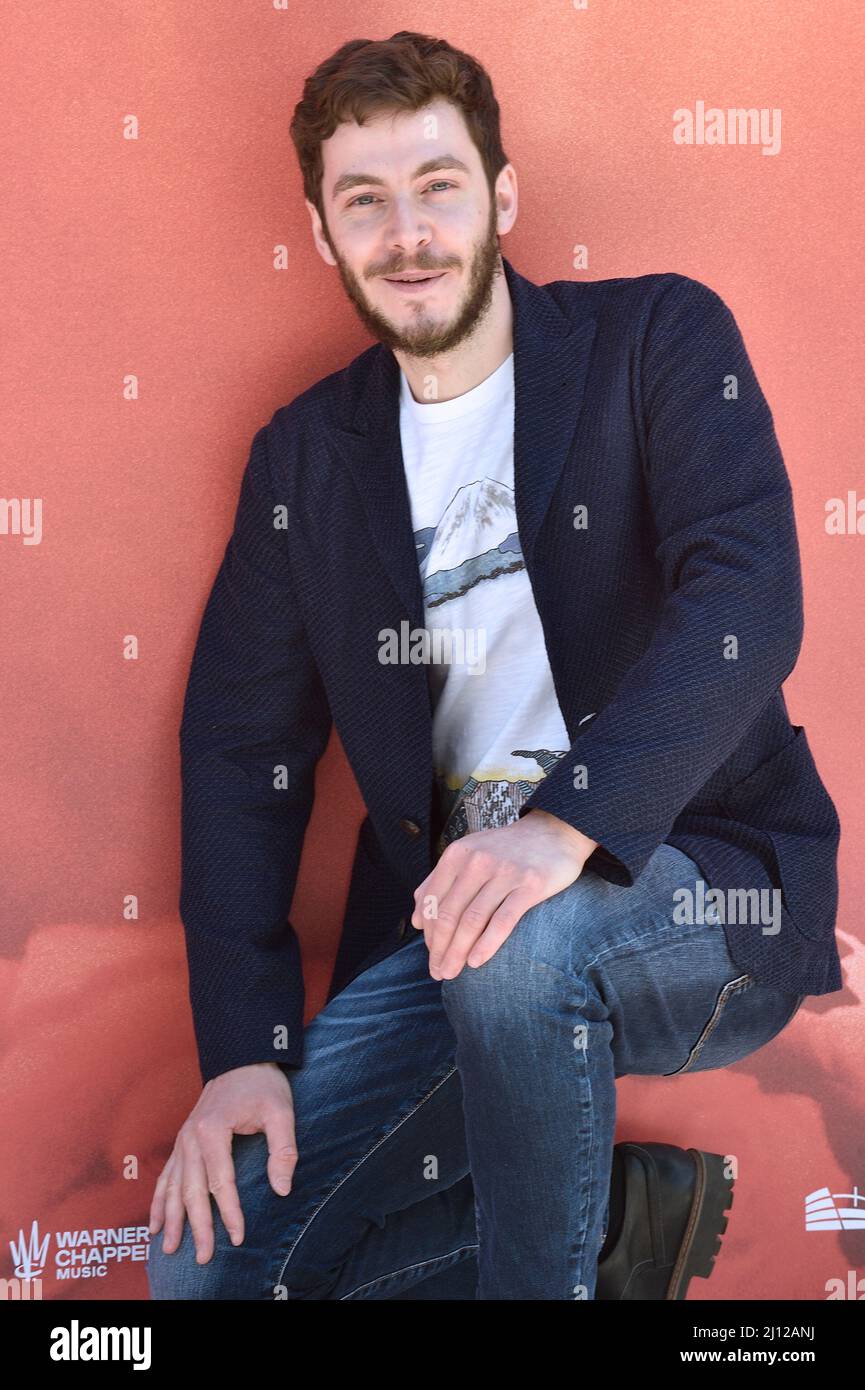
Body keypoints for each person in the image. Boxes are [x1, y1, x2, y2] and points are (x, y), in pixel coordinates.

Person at [147, 31, 842, 1301]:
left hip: (697, 884)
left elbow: (747, 596)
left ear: (503, 197)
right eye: (364, 201)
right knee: (204, 1264)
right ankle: (629, 1238)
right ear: (321, 232)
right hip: (450, 933)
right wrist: (242, 1048)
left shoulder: (657, 338)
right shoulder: (305, 459)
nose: (406, 231)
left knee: (528, 956)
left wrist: (568, 822)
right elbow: (242, 751)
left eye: (438, 185)